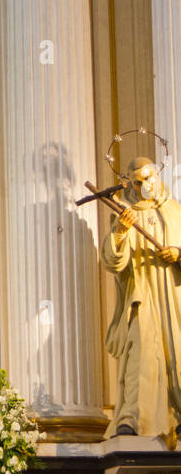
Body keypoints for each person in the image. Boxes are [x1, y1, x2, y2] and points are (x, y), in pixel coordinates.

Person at [101, 157, 181, 438]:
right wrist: (121, 232)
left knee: (178, 356)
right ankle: (133, 419)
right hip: (143, 294)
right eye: (138, 181)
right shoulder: (125, 212)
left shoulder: (175, 210)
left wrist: (178, 253)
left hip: (174, 297)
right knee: (142, 352)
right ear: (130, 183)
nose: (145, 185)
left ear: (157, 175)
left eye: (149, 178)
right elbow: (113, 262)